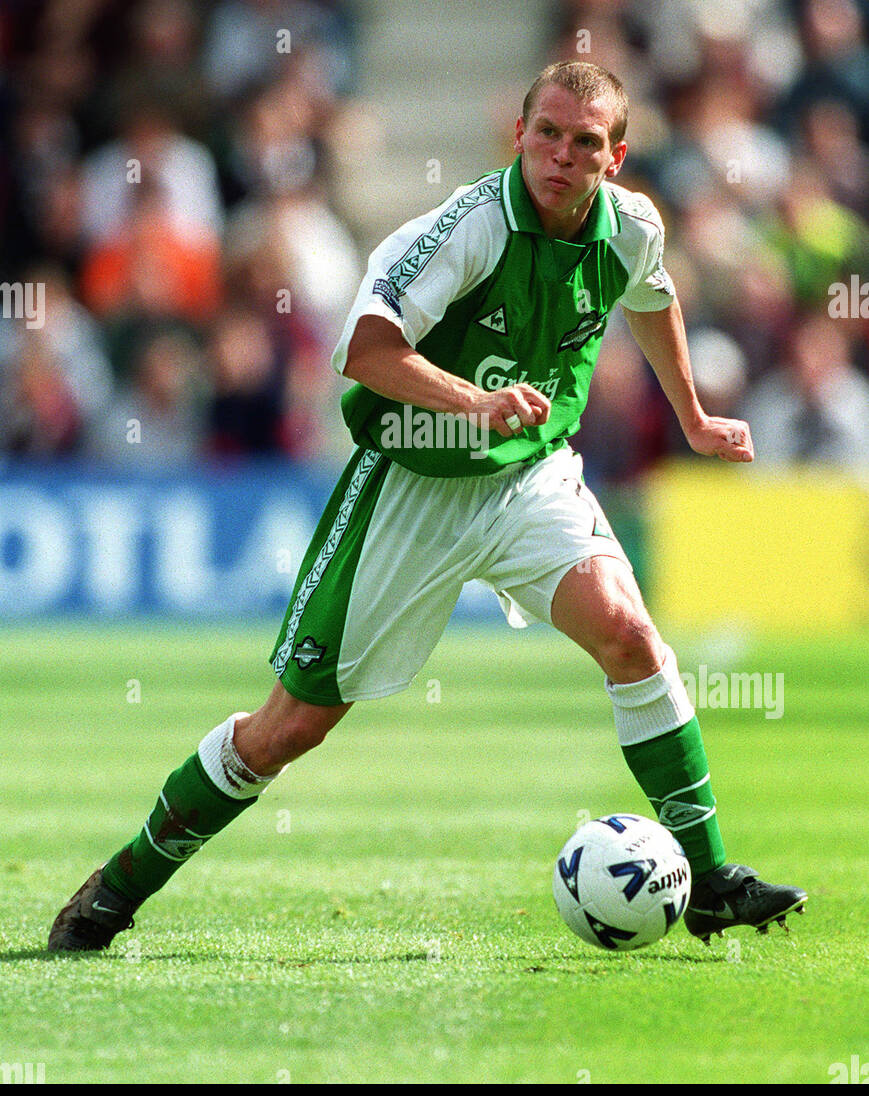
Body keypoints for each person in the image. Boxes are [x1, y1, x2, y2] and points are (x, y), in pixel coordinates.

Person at [48, 62, 806, 952]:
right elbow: (365, 352)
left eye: (584, 141)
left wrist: (691, 417)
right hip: (411, 484)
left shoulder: (632, 226)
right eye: (548, 134)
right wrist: (471, 402)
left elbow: (653, 299)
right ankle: (122, 882)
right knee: (288, 728)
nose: (562, 155)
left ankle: (709, 877)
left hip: (529, 477)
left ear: (616, 155)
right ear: (518, 135)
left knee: (631, 637)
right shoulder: (468, 229)